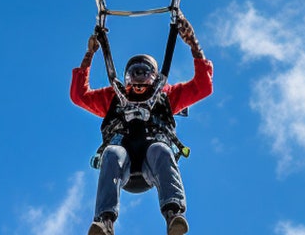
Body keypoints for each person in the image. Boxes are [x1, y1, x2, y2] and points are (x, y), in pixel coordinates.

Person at [71, 16, 213, 235]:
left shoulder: (166, 96)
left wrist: (194, 44)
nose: (139, 80)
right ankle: (105, 221)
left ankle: (173, 213)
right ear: (127, 77)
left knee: (160, 150)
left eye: (144, 73)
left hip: (152, 161)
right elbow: (79, 95)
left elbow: (203, 86)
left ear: (154, 77)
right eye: (134, 74)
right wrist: (89, 55)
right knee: (112, 153)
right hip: (123, 163)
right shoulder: (114, 97)